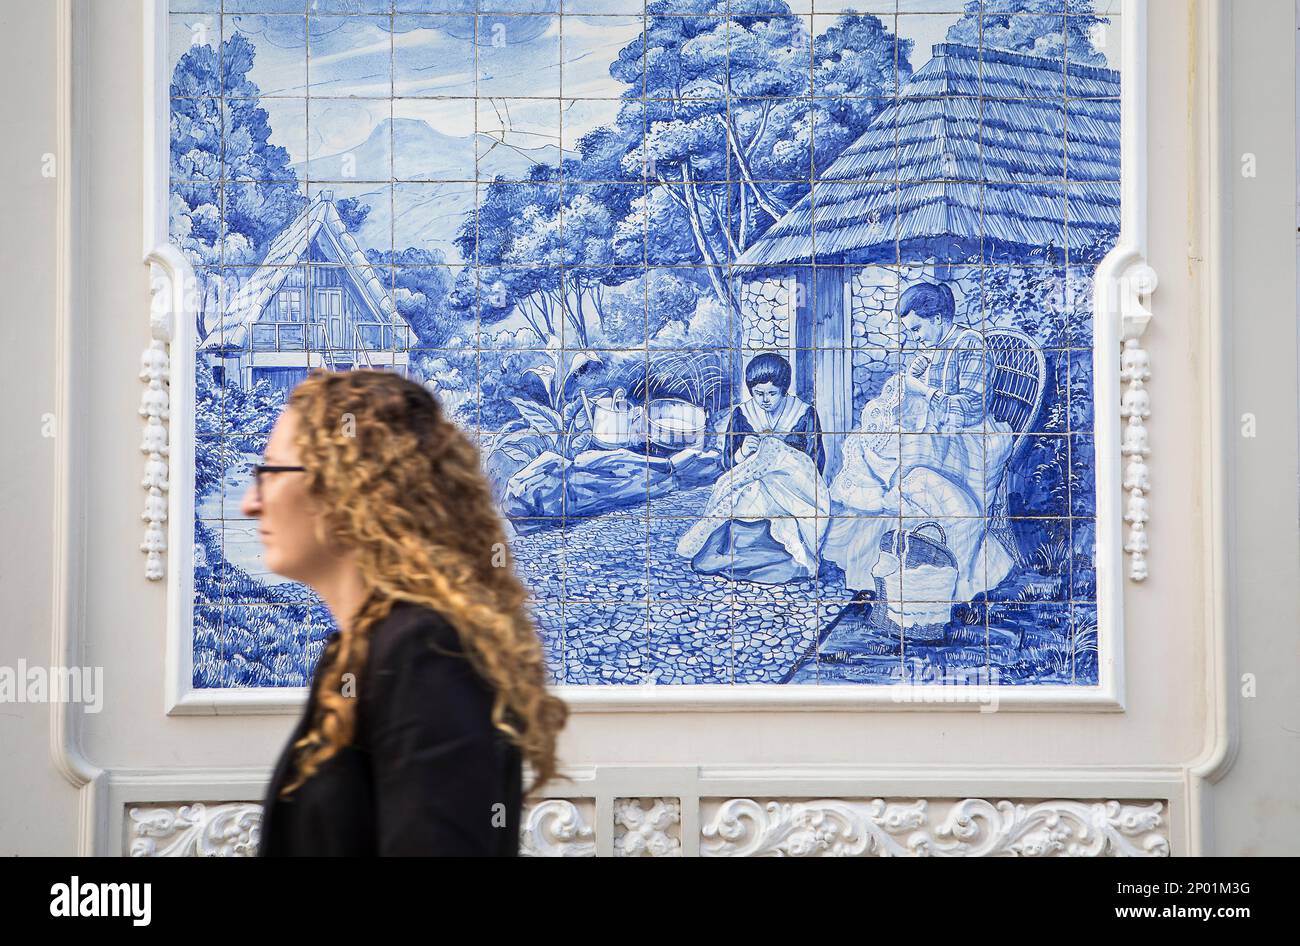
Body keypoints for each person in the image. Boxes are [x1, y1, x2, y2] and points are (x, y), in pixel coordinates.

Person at [250, 369, 568, 856]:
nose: (253, 503)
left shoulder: (428, 654)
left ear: (346, 488)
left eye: (272, 470)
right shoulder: (357, 649)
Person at [823, 281, 1017, 601]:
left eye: (916, 328)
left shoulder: (970, 345)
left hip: (972, 439)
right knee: (870, 445)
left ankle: (920, 568)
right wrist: (910, 383)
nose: (914, 337)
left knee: (900, 452)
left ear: (938, 319)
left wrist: (922, 390)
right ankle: (884, 563)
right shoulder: (931, 349)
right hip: (941, 432)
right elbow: (916, 402)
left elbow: (970, 407)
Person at [676, 352, 829, 584]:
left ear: (784, 390)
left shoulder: (804, 414)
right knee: (731, 524)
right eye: (759, 394)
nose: (765, 400)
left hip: (792, 493)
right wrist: (742, 453)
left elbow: (815, 462)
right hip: (752, 491)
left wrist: (781, 458)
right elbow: (727, 462)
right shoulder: (742, 414)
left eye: (771, 393)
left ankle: (779, 554)